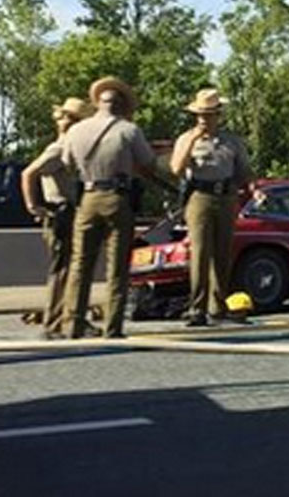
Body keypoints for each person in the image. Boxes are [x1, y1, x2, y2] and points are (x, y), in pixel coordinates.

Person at [60, 77, 156, 339]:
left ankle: (73, 323)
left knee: (80, 264)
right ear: (121, 105)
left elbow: (67, 164)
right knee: (116, 267)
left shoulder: (76, 131)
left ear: (97, 103)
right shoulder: (128, 130)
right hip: (117, 197)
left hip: (88, 197)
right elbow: (149, 162)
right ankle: (113, 327)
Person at [170, 88, 253, 327]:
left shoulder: (232, 141)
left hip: (226, 196)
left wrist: (251, 187)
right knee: (200, 252)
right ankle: (197, 308)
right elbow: (176, 169)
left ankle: (217, 307)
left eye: (209, 115)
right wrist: (193, 140)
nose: (204, 120)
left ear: (218, 116)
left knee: (223, 253)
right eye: (200, 115)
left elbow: (243, 171)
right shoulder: (186, 139)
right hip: (199, 196)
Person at [20, 97, 93, 340]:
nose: (67, 123)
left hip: (70, 211)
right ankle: (54, 322)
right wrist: (34, 206)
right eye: (67, 119)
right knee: (63, 269)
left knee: (72, 268)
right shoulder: (59, 149)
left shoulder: (68, 148)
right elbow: (28, 173)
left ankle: (68, 318)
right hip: (61, 211)